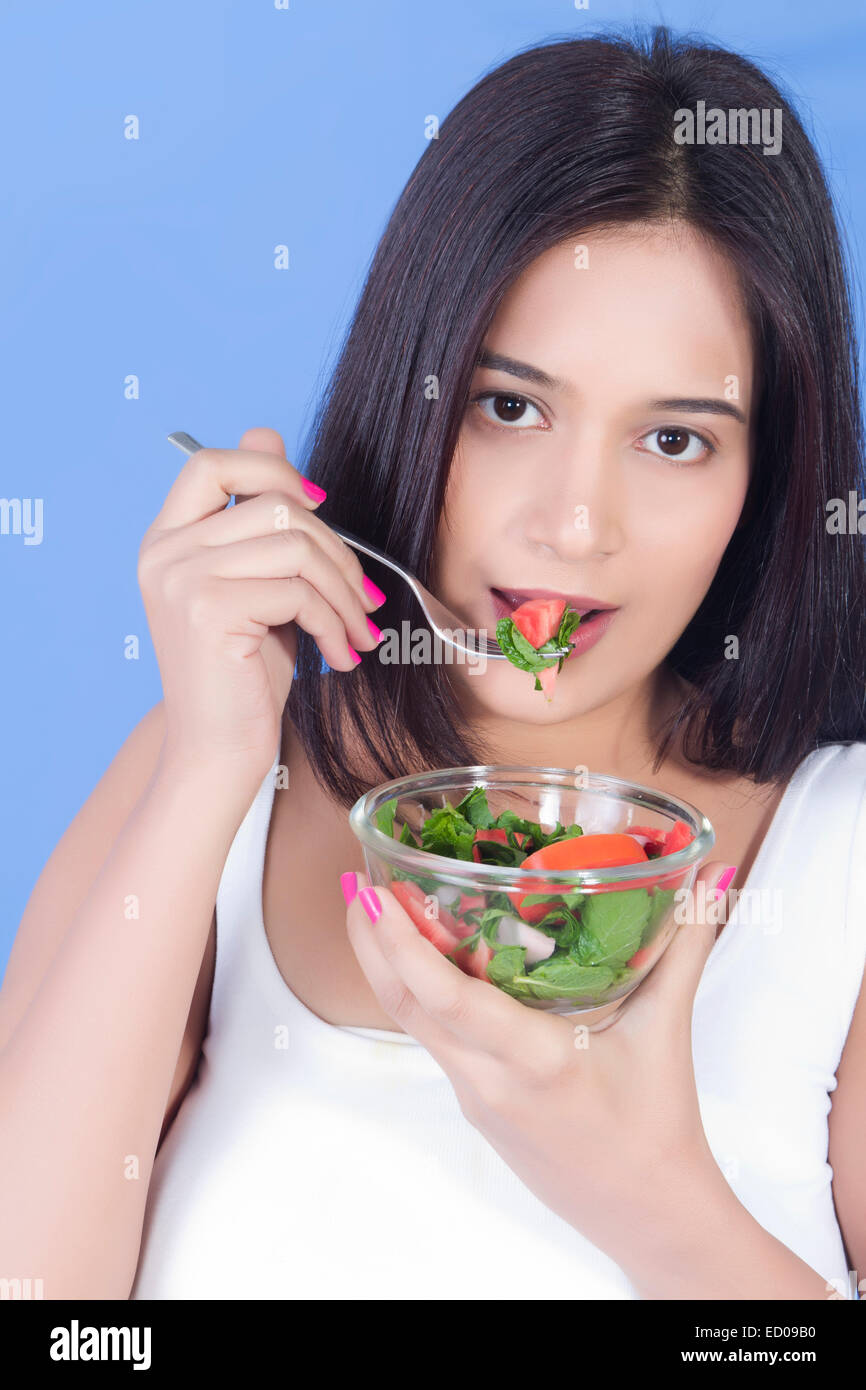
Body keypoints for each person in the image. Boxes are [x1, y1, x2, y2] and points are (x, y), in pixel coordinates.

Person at [2, 27, 864, 1301]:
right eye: (509, 406)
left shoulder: (839, 854)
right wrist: (212, 765)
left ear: (765, 479)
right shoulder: (219, 776)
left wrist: (648, 1195)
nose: (576, 525)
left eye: (673, 440)